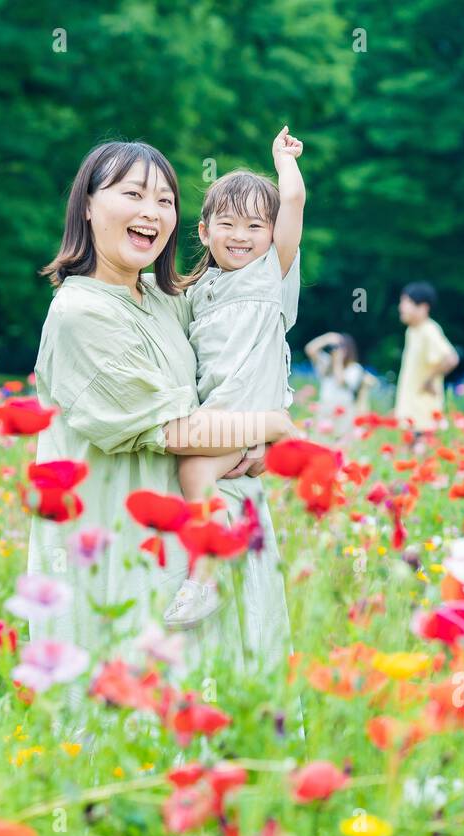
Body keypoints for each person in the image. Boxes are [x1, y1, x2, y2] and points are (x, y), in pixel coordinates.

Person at [28, 140, 297, 670]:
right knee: (133, 718)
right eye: (133, 194)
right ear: (87, 204)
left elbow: (237, 368)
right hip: (123, 544)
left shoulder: (167, 299)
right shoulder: (82, 313)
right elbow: (175, 429)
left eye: (165, 200)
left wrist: (256, 438)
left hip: (205, 535)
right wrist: (275, 424)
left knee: (223, 721)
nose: (151, 212)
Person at [164, 125, 305, 628]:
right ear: (203, 231)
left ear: (272, 237)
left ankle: (208, 574)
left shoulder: (271, 275)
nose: (241, 237)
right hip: (220, 422)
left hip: (246, 417)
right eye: (227, 224)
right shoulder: (199, 289)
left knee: (194, 472)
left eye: (254, 227)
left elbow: (293, 200)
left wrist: (283, 159)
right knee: (202, 478)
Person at [393, 281, 458, 432]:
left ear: (423, 307)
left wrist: (429, 380)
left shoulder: (429, 330)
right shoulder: (412, 331)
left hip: (423, 415)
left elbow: (451, 358)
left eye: (407, 302)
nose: (401, 307)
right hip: (410, 411)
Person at [304, 331, 377, 439]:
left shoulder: (354, 368)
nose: (337, 350)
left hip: (344, 412)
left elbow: (340, 381)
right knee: (321, 440)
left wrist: (338, 361)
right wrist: (327, 338)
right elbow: (310, 350)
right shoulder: (327, 363)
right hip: (325, 408)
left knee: (339, 441)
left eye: (341, 347)